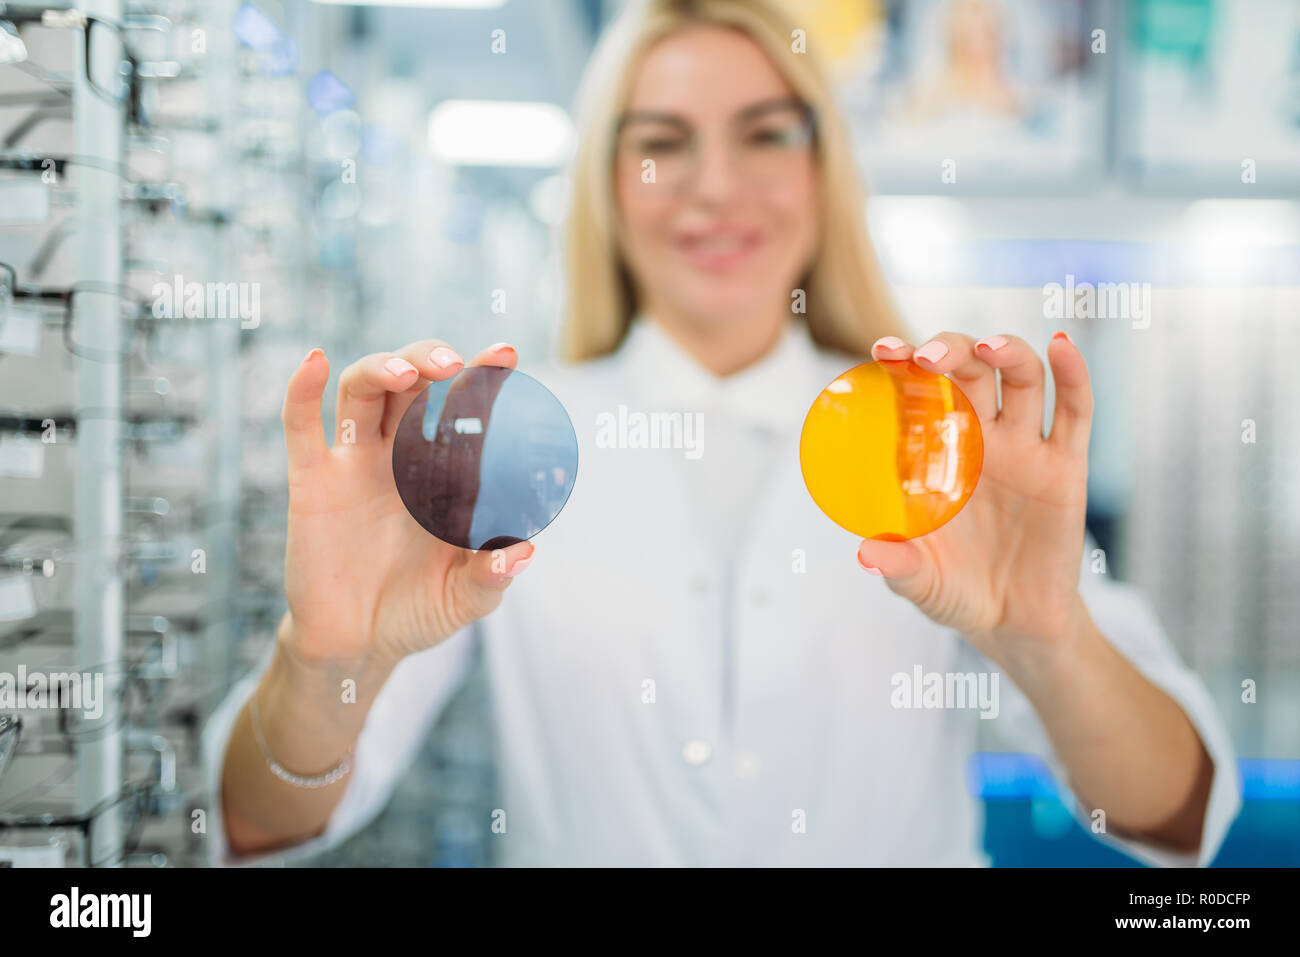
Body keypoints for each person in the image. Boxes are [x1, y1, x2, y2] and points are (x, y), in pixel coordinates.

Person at [204, 0, 1239, 866]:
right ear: (608, 182)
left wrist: (1045, 637)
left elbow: (1176, 812)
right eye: (661, 142)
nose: (711, 185)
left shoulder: (942, 444)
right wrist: (326, 660)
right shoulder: (490, 451)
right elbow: (258, 821)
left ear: (822, 168)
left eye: (764, 132)